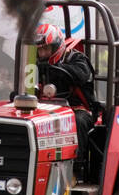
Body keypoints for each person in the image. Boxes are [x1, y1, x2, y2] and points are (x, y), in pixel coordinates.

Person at [34, 21, 98, 178]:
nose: (42, 54)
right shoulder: (33, 65)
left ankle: (77, 171)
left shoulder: (76, 58)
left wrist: (55, 70)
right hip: (42, 109)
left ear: (57, 47)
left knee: (78, 121)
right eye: (39, 50)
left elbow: (81, 75)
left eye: (46, 49)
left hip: (76, 108)